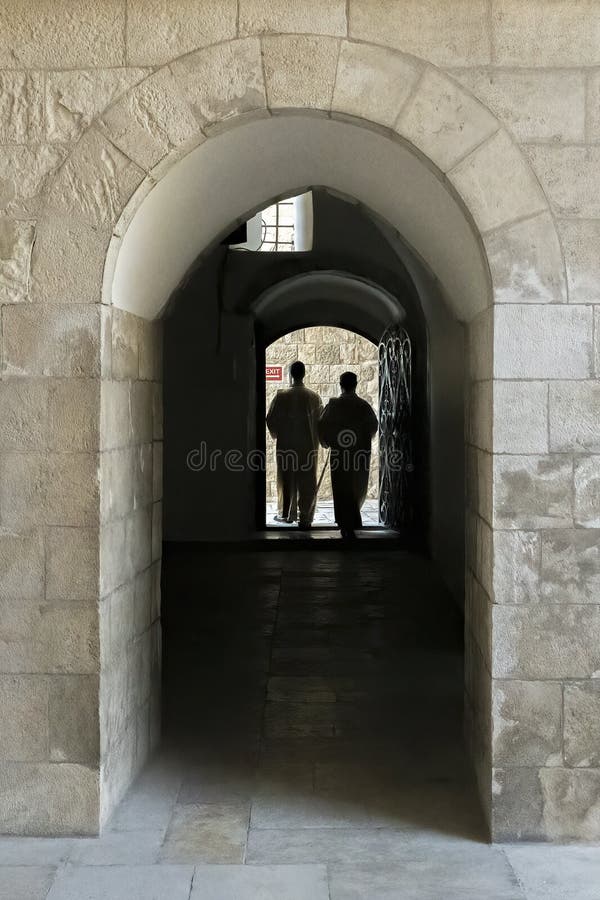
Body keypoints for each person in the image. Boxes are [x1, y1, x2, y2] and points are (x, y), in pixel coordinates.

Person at [318, 370, 378, 539]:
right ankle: (353, 518)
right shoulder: (363, 406)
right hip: (359, 454)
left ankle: (345, 522)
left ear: (340, 385)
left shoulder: (334, 405)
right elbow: (373, 427)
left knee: (341, 486)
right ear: (356, 385)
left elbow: (322, 426)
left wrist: (328, 442)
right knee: (357, 485)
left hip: (340, 454)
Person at [266, 360, 323, 529]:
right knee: (307, 481)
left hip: (287, 445)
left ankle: (287, 513)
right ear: (304, 374)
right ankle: (305, 517)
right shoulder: (314, 397)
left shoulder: (281, 396)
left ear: (291, 374)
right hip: (308, 446)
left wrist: (277, 434)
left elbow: (271, 420)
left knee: (287, 478)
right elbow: (321, 422)